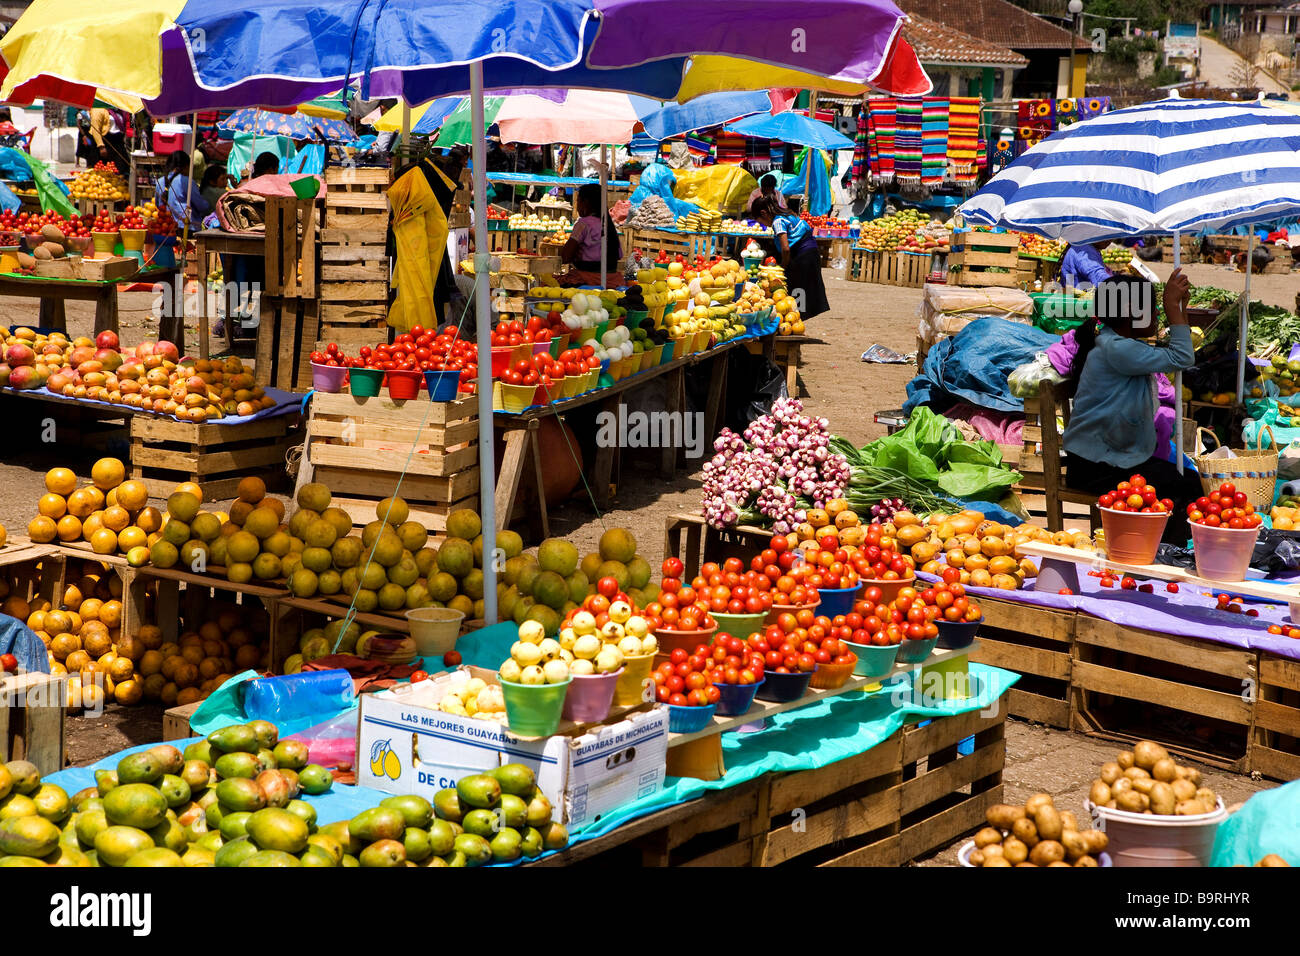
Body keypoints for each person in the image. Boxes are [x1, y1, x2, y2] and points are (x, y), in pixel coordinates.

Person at [1061, 270, 1202, 542]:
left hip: (1108, 458)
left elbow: (1179, 354)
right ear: (1130, 313)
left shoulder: (1120, 345)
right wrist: (1173, 307)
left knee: (1186, 480)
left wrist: (1180, 307)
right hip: (1095, 467)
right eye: (1153, 309)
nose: (1157, 316)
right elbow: (1183, 356)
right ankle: (1162, 553)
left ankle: (1161, 548)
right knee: (1183, 486)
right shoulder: (1117, 349)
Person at [749, 195, 829, 320]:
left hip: (803, 255)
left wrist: (783, 267)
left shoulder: (778, 221)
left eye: (761, 221)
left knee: (797, 288)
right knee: (804, 287)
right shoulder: (788, 214)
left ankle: (795, 319)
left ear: (764, 213)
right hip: (811, 252)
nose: (764, 225)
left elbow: (786, 248)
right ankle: (796, 319)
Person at [558, 182, 622, 286]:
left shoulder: (583, 224)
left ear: (585, 203)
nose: (577, 206)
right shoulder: (609, 225)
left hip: (588, 279)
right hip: (613, 279)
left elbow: (566, 257)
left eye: (578, 201)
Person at [155, 151, 212, 232]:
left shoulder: (159, 181)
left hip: (166, 227)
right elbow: (201, 206)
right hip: (187, 228)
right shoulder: (186, 181)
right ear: (186, 166)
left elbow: (158, 205)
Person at [88, 107, 129, 173]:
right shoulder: (98, 110)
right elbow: (95, 129)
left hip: (117, 141)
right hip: (105, 141)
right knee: (103, 168)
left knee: (121, 167)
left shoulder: (118, 109)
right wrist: (101, 146)